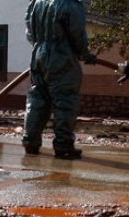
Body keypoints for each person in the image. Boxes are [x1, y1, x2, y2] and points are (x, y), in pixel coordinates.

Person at [22, 0, 96, 160]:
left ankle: (30, 142)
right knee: (65, 100)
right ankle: (64, 146)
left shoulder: (36, 3)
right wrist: (84, 53)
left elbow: (29, 32)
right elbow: (77, 34)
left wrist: (41, 46)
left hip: (38, 55)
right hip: (61, 57)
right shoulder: (70, 3)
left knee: (37, 98)